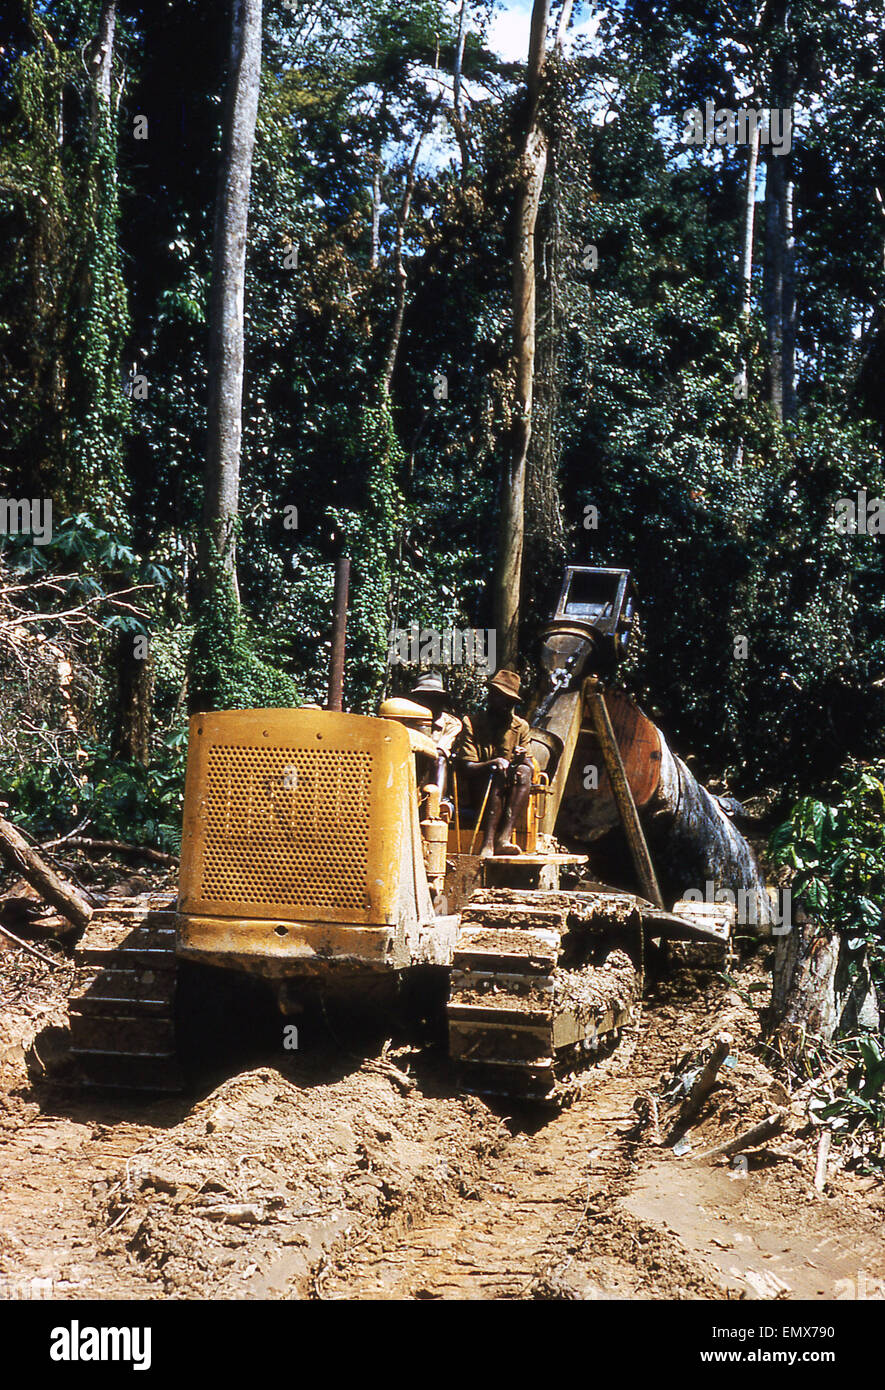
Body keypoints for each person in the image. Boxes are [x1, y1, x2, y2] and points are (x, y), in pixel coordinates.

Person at [456, 669, 532, 858]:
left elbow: (530, 763)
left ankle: (503, 839)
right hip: (478, 787)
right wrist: (492, 764)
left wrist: (522, 759)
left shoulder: (520, 726)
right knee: (497, 772)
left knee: (524, 771)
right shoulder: (471, 722)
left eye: (510, 701)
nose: (506, 705)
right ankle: (488, 843)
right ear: (491, 697)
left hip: (511, 790)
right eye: (501, 698)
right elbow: (466, 767)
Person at [410, 672, 462, 805]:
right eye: (425, 698)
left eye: (434, 698)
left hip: (434, 773)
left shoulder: (451, 723)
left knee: (439, 758)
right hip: (411, 769)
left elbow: (440, 750)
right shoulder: (407, 718)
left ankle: (435, 807)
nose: (429, 702)